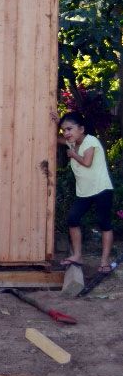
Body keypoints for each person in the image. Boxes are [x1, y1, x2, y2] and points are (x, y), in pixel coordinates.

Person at [57, 112, 115, 273]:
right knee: (72, 219)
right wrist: (55, 124)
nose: (66, 133)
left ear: (81, 129)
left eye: (70, 129)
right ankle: (77, 255)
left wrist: (73, 154)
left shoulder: (91, 141)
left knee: (104, 223)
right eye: (64, 130)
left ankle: (104, 262)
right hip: (84, 192)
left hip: (101, 189)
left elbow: (87, 162)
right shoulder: (71, 142)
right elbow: (56, 139)